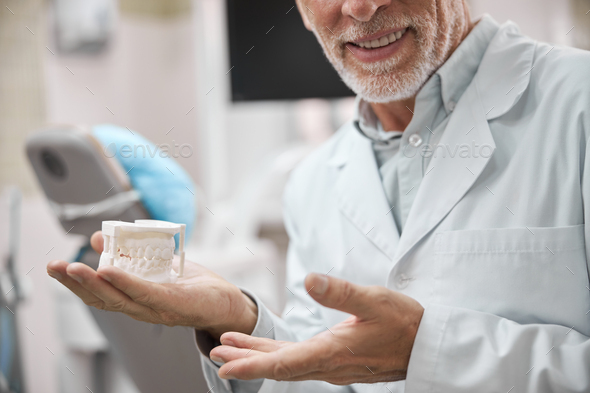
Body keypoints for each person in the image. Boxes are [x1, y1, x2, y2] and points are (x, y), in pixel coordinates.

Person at [48, 0, 590, 392]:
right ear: (303, 10)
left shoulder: (577, 105)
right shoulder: (313, 182)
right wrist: (239, 317)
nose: (359, 7)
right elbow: (321, 377)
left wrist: (432, 351)